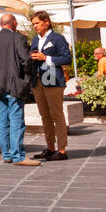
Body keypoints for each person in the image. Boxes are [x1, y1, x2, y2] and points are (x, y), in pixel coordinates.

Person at [0, 13, 39, 166]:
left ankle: (7, 154)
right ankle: (18, 156)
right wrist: (27, 76)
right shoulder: (18, 38)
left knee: (3, 121)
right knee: (16, 121)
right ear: (14, 23)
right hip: (15, 85)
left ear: (1, 24)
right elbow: (26, 60)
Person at [30, 10, 73, 161]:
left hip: (53, 80)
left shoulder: (58, 38)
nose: (35, 26)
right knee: (44, 116)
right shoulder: (35, 40)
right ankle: (50, 147)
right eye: (33, 24)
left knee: (57, 115)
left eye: (37, 23)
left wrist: (46, 58)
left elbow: (67, 59)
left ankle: (62, 150)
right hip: (38, 81)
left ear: (46, 22)